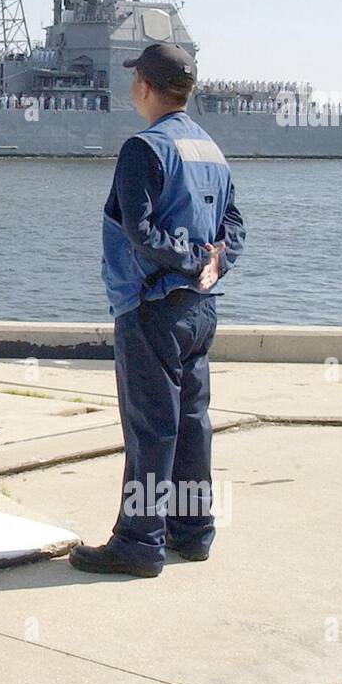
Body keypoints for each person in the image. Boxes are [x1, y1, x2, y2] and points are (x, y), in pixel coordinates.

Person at [71, 42, 245, 578]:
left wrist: (192, 260)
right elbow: (235, 226)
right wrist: (215, 260)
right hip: (200, 311)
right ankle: (192, 531)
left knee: (151, 427)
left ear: (143, 86)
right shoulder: (211, 150)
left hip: (152, 306)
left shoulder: (144, 148)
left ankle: (140, 542)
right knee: (192, 422)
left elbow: (140, 231)